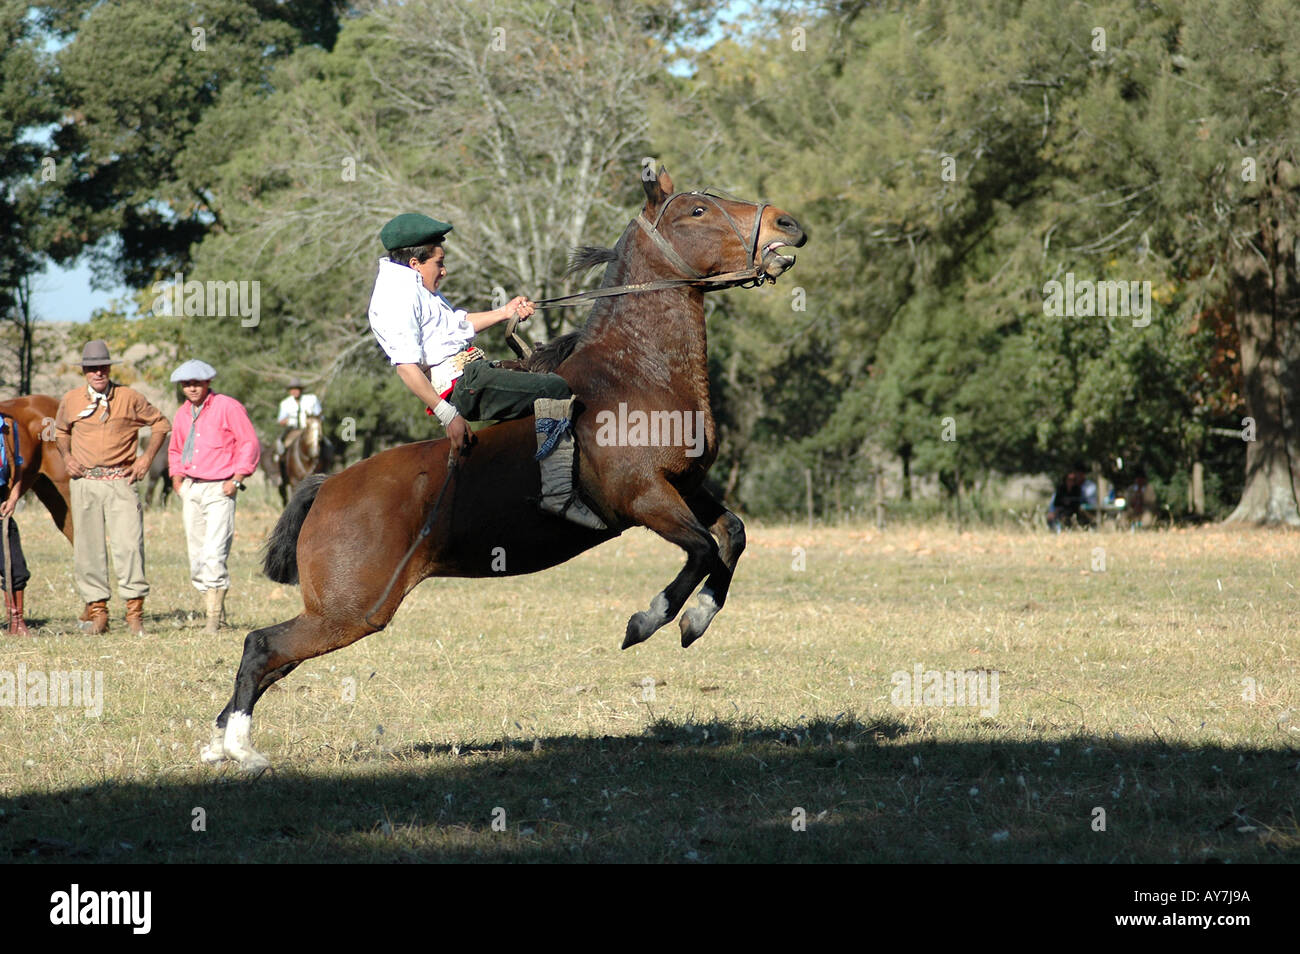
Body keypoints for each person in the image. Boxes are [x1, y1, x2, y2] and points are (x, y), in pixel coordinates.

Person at [367, 212, 604, 529]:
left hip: (474, 373)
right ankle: (559, 495)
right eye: (439, 262)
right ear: (414, 262)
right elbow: (407, 369)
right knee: (556, 389)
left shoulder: (416, 286)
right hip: (464, 385)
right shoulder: (397, 297)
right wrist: (448, 415)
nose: (444, 270)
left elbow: (458, 325)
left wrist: (506, 312)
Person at [55, 340, 170, 635]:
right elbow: (60, 431)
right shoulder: (71, 400)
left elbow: (160, 424)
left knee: (130, 546)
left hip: (121, 481)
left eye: (102, 367)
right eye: (92, 368)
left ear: (109, 368)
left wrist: (145, 459)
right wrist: (67, 457)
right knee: (87, 549)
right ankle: (98, 613)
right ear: (84, 372)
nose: (97, 372)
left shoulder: (129, 397)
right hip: (85, 483)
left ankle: (134, 615)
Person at [167, 359, 261, 635]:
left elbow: (249, 442)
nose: (192, 388)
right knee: (196, 555)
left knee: (213, 552)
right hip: (192, 488)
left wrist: (237, 478)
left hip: (220, 486)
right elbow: (175, 448)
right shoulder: (182, 414)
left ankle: (213, 620)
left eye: (196, 383)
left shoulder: (227, 407)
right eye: (186, 384)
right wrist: (177, 479)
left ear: (208, 383)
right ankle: (215, 611)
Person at [0, 415, 31, 635]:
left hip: (2, 498)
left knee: (14, 563)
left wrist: (13, 496)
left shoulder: (9, 426)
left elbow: (17, 464)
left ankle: (16, 621)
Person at [275, 379, 323, 458]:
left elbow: (320, 415)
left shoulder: (312, 399)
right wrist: (286, 421)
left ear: (301, 390)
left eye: (297, 389)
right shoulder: (285, 403)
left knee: (327, 445)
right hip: (293, 429)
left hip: (309, 429)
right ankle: (280, 462)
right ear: (289, 391)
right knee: (280, 442)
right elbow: (280, 420)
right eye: (292, 389)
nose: (295, 391)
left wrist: (312, 419)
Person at [1047, 461, 1098, 531]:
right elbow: (1055, 503)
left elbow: (1090, 504)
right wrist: (1053, 512)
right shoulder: (1061, 490)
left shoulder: (1088, 487)